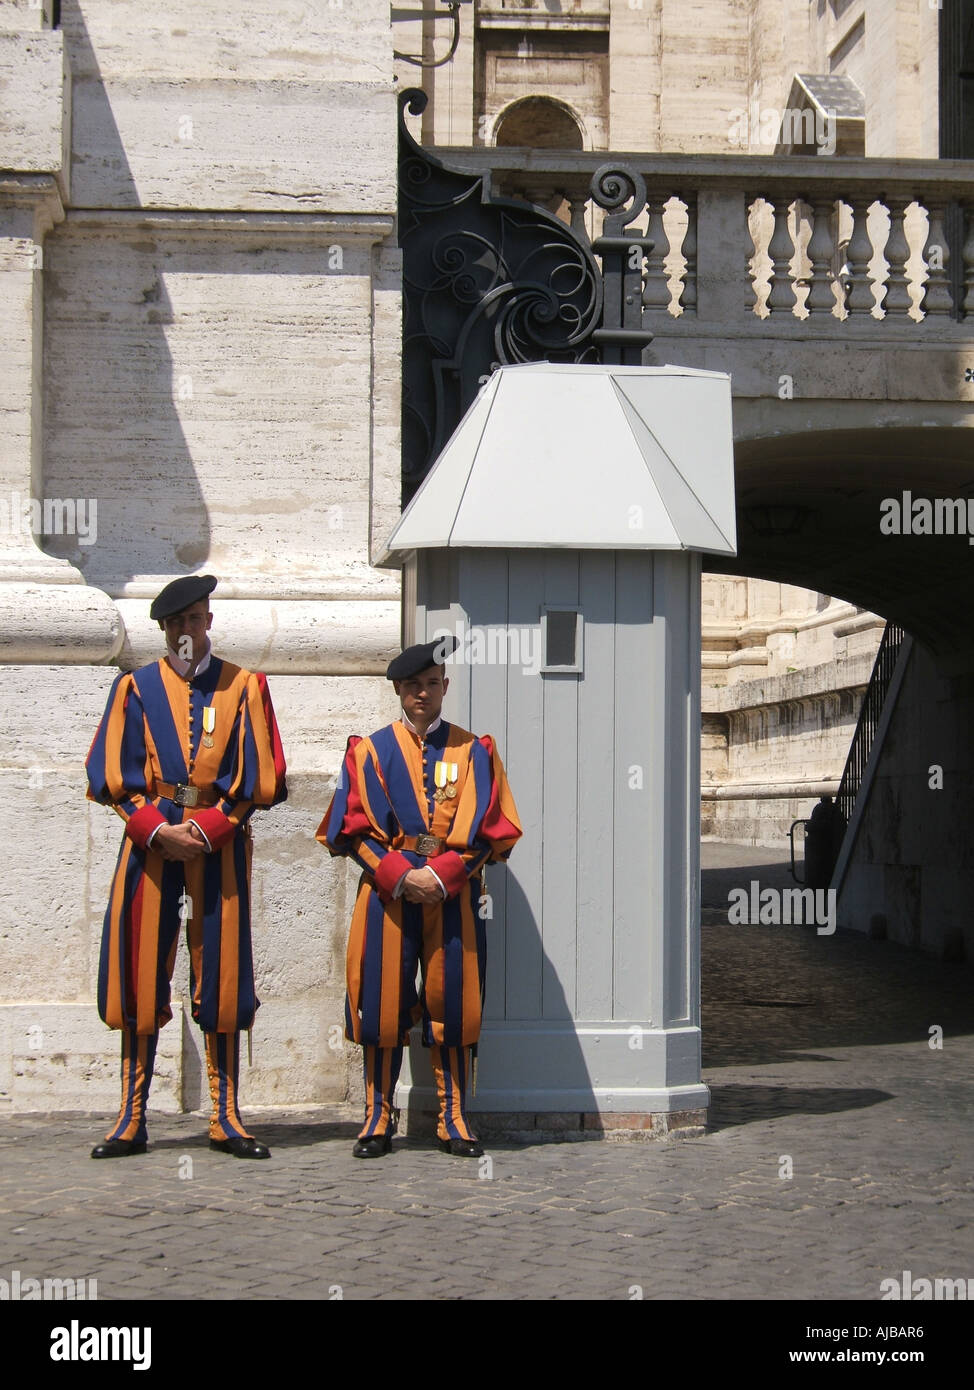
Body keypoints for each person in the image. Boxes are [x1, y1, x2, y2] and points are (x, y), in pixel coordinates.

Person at [85, 574, 287, 1159]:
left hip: (216, 849)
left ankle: (225, 1116)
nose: (184, 630)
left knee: (223, 977)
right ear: (164, 629)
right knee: (138, 975)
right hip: (150, 850)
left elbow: (260, 777)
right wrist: (156, 829)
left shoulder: (245, 687)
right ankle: (131, 1115)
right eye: (174, 623)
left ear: (208, 621)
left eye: (193, 619)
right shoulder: (134, 689)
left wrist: (205, 829)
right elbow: (111, 776)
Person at [317, 638, 521, 1158]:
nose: (423, 694)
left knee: (455, 1001)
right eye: (413, 686)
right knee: (380, 1002)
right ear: (399, 692)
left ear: (445, 687)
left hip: (451, 893)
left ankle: (453, 1117)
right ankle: (377, 1117)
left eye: (432, 684)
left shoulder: (475, 750)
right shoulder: (369, 751)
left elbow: (490, 832)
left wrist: (445, 874)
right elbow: (351, 828)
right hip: (388, 890)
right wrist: (400, 875)